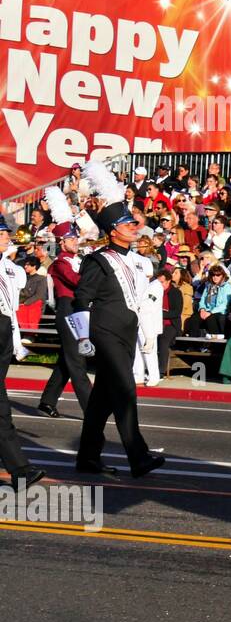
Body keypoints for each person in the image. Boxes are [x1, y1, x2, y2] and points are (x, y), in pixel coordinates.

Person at [67, 162, 166, 478]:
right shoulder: (98, 260)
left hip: (126, 334)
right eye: (127, 224)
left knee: (101, 401)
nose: (134, 226)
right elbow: (81, 298)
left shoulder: (137, 261)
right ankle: (138, 457)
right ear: (113, 231)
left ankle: (87, 458)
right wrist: (83, 337)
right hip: (104, 332)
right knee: (125, 390)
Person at [38, 186, 93, 417]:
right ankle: (92, 409)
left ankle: (47, 401)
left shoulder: (78, 259)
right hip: (67, 310)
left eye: (75, 237)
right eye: (72, 238)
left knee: (67, 360)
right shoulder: (61, 263)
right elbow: (77, 282)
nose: (76, 240)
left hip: (78, 311)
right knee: (77, 361)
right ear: (62, 242)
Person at [0, 217, 45, 486]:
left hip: (5, 331)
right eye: (2, 232)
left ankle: (20, 470)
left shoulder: (9, 268)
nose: (8, 236)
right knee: (1, 407)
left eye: (6, 232)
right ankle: (20, 470)